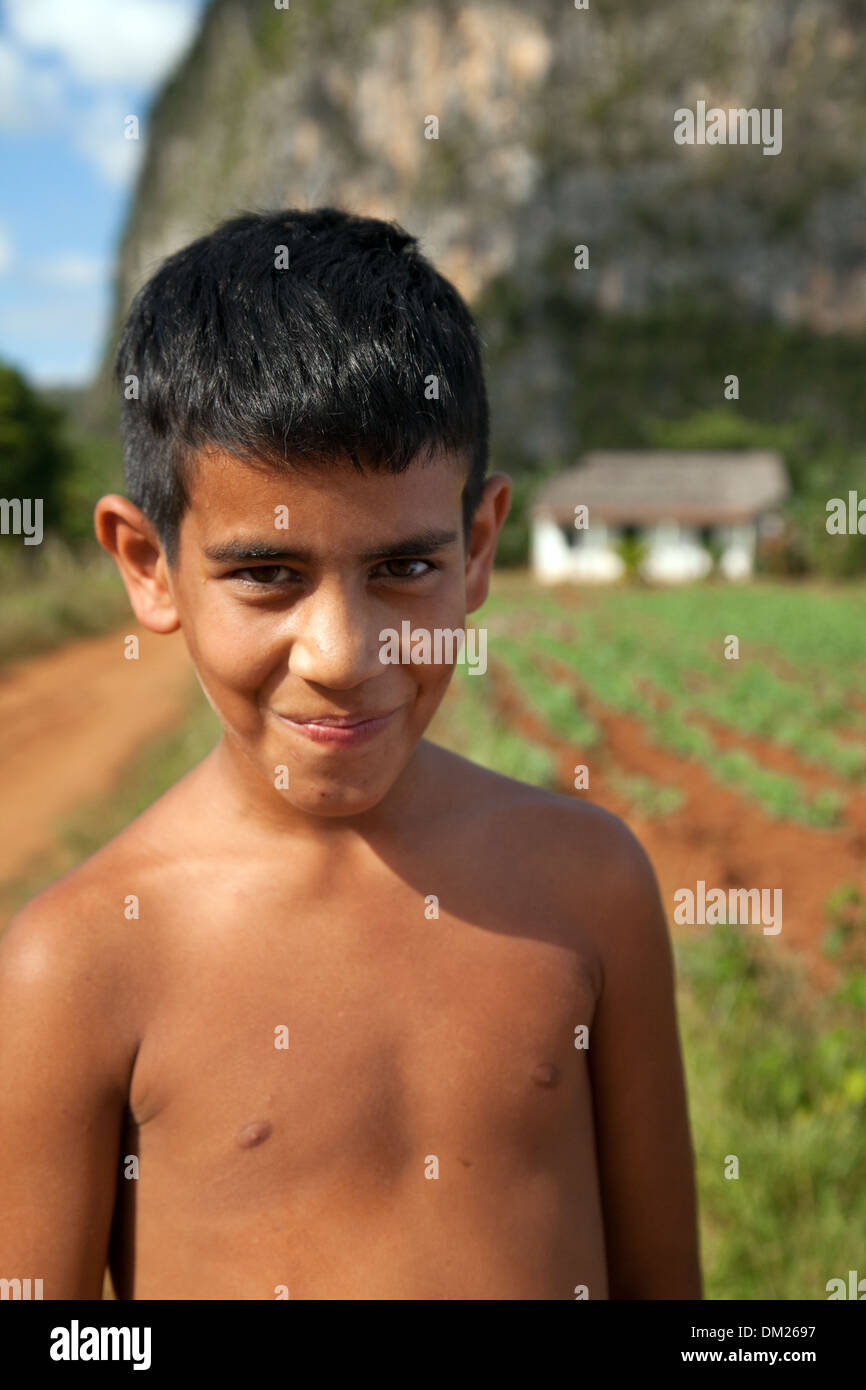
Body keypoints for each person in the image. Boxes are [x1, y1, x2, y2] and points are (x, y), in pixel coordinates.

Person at [0, 208, 701, 1300]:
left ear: (476, 550)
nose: (342, 653)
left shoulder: (590, 884)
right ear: (147, 566)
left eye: (404, 568)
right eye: (268, 574)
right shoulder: (77, 964)